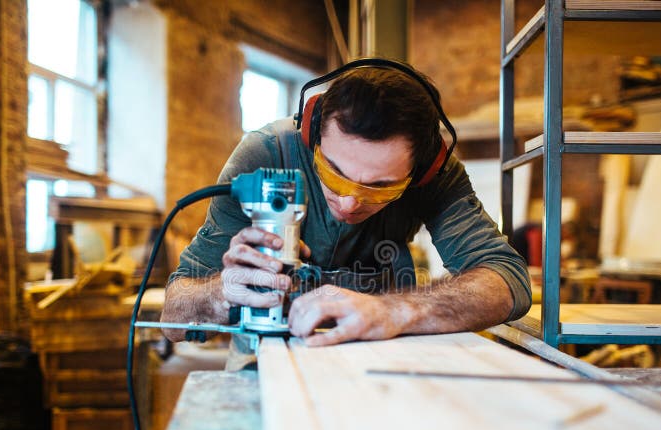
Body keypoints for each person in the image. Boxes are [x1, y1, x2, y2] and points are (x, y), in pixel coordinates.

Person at [161, 59, 531, 347]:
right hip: (266, 365)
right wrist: (220, 292)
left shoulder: (437, 173)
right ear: (312, 131)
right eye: (334, 173)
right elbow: (172, 318)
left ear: (421, 170)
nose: (350, 201)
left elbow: (508, 280)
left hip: (378, 361)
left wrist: (394, 310)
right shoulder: (266, 155)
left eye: (379, 187)